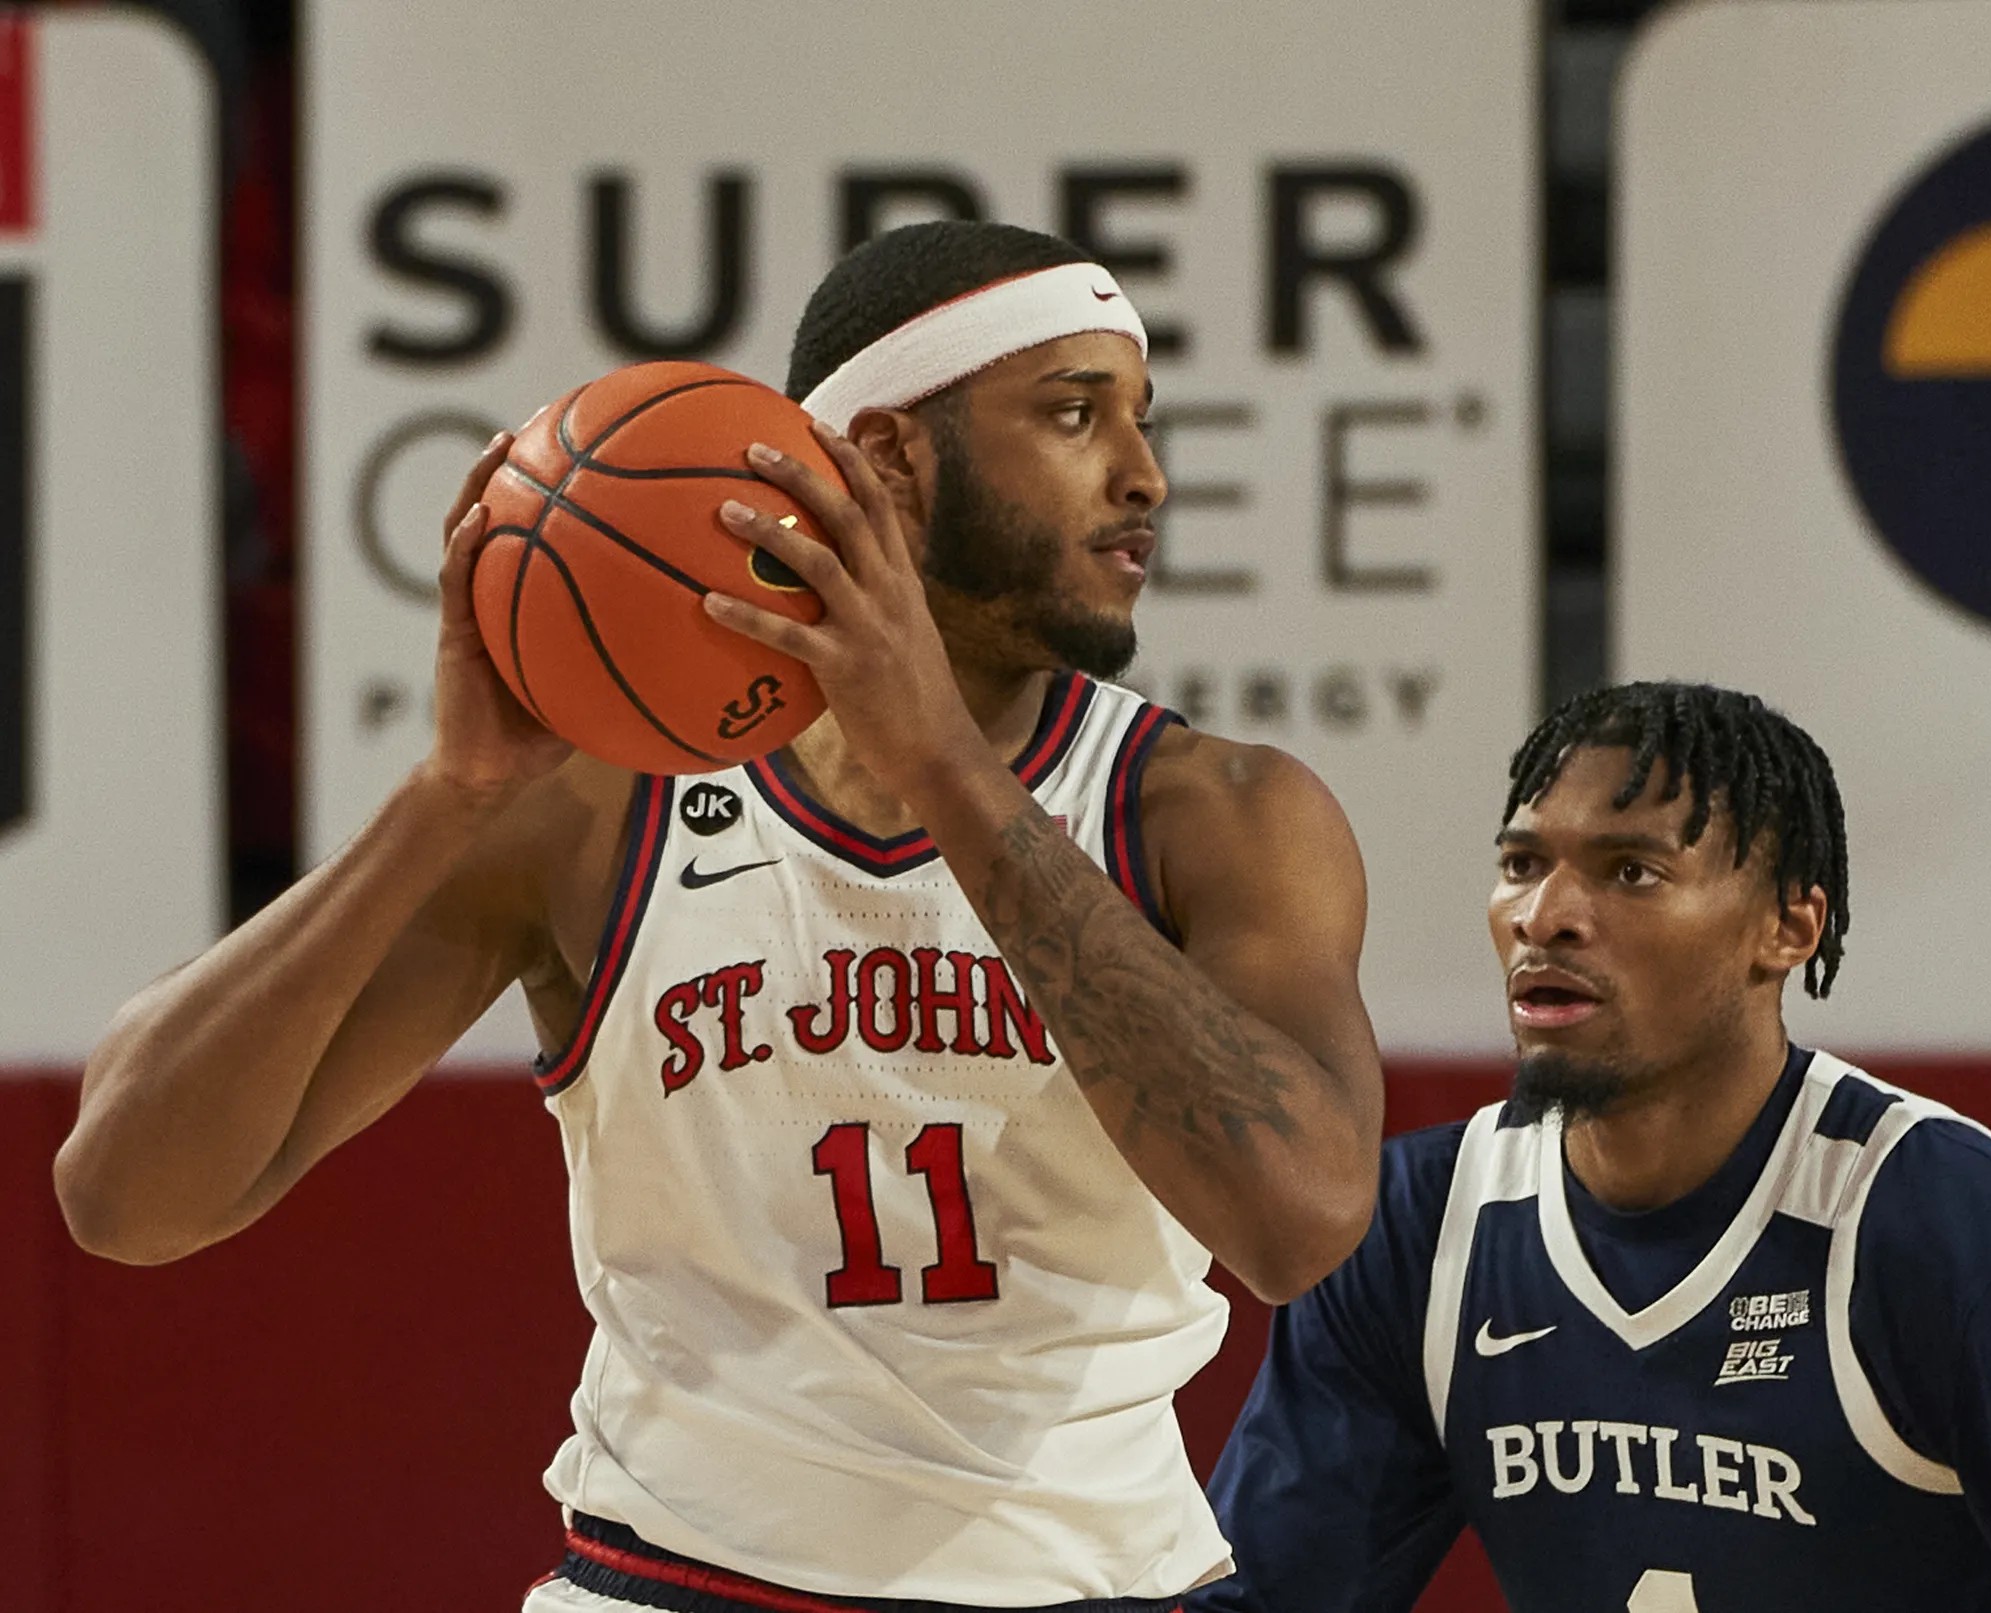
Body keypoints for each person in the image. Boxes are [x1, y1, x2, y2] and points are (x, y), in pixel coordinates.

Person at [54, 221, 1386, 1613]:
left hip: (1090, 1585)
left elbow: (1297, 1227)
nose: (1145, 475)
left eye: (1141, 419)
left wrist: (943, 767)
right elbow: (126, 1197)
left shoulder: (1213, 814)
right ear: (890, 460)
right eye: (1072, 414)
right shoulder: (599, 808)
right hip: (675, 1580)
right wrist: (443, 799)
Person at [1193, 682, 1991, 1613]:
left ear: (1788, 927)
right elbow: (1266, 1593)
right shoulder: (1421, 1228)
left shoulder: (1941, 1228)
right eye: (1523, 862)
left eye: (1630, 871)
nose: (1546, 913)